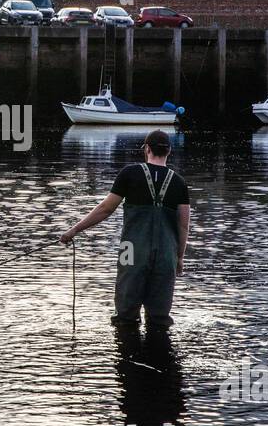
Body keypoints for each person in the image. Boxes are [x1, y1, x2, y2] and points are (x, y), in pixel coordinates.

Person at [60, 129, 190, 327]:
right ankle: (159, 354)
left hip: (129, 251)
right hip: (166, 255)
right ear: (169, 151)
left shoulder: (129, 174)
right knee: (159, 319)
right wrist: (179, 257)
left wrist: (74, 230)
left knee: (125, 315)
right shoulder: (179, 183)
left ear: (147, 149)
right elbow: (183, 224)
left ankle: (126, 354)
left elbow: (105, 209)